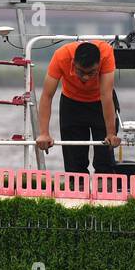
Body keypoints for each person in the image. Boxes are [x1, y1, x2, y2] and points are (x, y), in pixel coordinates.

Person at [35, 40, 119, 174]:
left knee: (105, 158)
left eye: (91, 73)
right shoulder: (61, 56)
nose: (86, 77)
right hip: (72, 103)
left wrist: (111, 133)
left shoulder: (106, 53)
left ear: (99, 64)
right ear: (73, 63)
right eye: (81, 72)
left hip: (101, 103)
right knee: (74, 161)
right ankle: (77, 188)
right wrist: (44, 133)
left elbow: (106, 96)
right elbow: (47, 95)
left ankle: (105, 187)